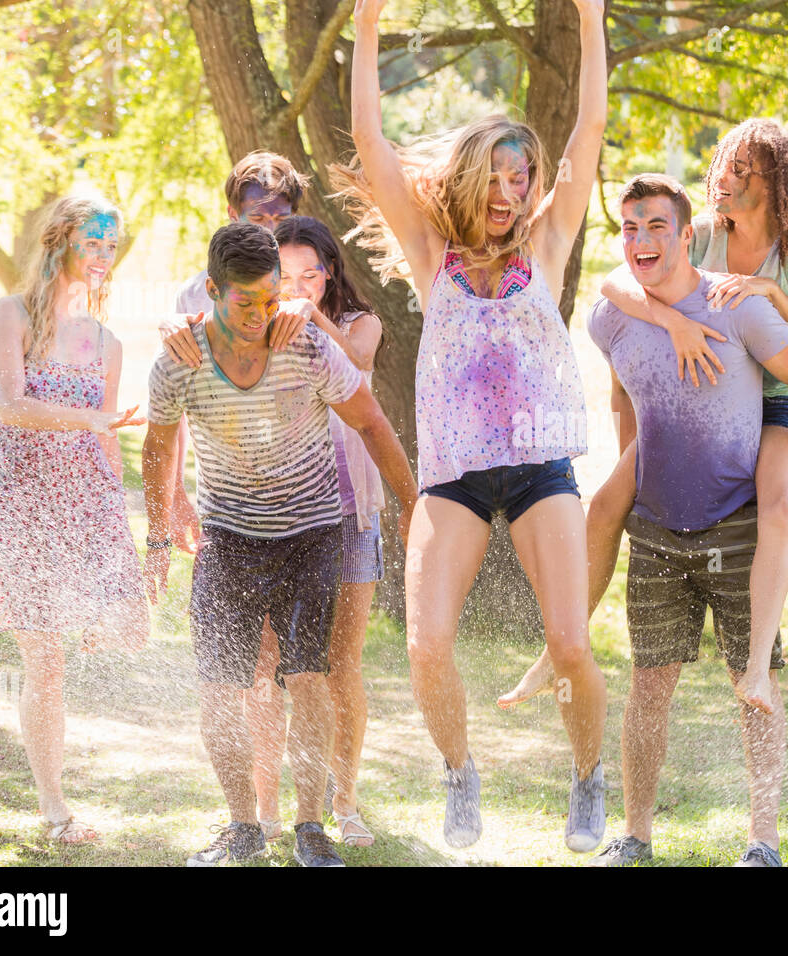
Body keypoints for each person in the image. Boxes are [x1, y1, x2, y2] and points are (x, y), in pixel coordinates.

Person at [332, 0, 609, 852]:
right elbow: (373, 148)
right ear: (467, 180)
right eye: (495, 175)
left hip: (539, 470)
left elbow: (589, 127)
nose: (509, 191)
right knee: (426, 645)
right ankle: (460, 774)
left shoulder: (549, 243)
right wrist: (368, 26)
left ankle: (589, 778)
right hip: (453, 473)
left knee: (567, 640)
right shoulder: (433, 256)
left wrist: (592, 19)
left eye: (519, 177)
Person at [500, 119, 788, 715]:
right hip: (698, 406)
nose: (723, 178)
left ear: (775, 181)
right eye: (723, 166)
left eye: (741, 169)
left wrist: (769, 294)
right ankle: (558, 649)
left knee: (781, 507)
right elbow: (614, 281)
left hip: (771, 405)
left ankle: (756, 668)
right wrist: (673, 322)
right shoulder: (701, 234)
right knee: (603, 507)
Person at [142, 222, 417, 867]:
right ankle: (241, 826)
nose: (263, 316)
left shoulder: (307, 347)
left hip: (311, 536)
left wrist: (411, 504)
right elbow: (157, 451)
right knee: (219, 687)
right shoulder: (178, 363)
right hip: (229, 539)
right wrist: (158, 532)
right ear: (210, 291)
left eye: (272, 299)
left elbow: (373, 424)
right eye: (246, 303)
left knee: (309, 676)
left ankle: (312, 829)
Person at [583, 174, 788, 867]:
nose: (642, 241)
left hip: (736, 525)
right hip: (656, 531)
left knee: (755, 688)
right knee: (648, 686)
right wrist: (634, 466)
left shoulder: (735, 305)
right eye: (630, 229)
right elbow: (621, 398)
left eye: (658, 226)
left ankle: (763, 843)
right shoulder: (612, 315)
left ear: (688, 234)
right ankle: (634, 836)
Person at [0, 195, 149, 844]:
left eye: (113, 244)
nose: (105, 254)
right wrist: (89, 420)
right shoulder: (11, 315)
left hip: (82, 520)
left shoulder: (107, 343)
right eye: (94, 241)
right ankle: (54, 806)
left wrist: (119, 558)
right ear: (60, 241)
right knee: (44, 660)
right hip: (21, 512)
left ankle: (56, 797)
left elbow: (106, 450)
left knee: (62, 662)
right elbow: (13, 406)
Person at [164, 150, 312, 555]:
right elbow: (173, 403)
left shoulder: (311, 284)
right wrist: (175, 494)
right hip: (227, 494)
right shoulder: (198, 293)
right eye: (257, 218)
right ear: (232, 214)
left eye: (281, 220)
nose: (270, 232)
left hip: (305, 496)